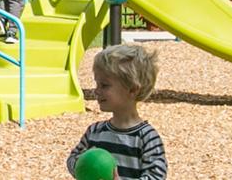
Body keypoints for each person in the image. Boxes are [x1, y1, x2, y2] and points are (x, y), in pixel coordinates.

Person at [66, 44, 167, 179]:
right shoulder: (95, 132)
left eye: (104, 85)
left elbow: (156, 176)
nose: (96, 90)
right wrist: (85, 162)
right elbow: (72, 160)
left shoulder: (146, 137)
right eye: (97, 84)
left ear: (132, 89)